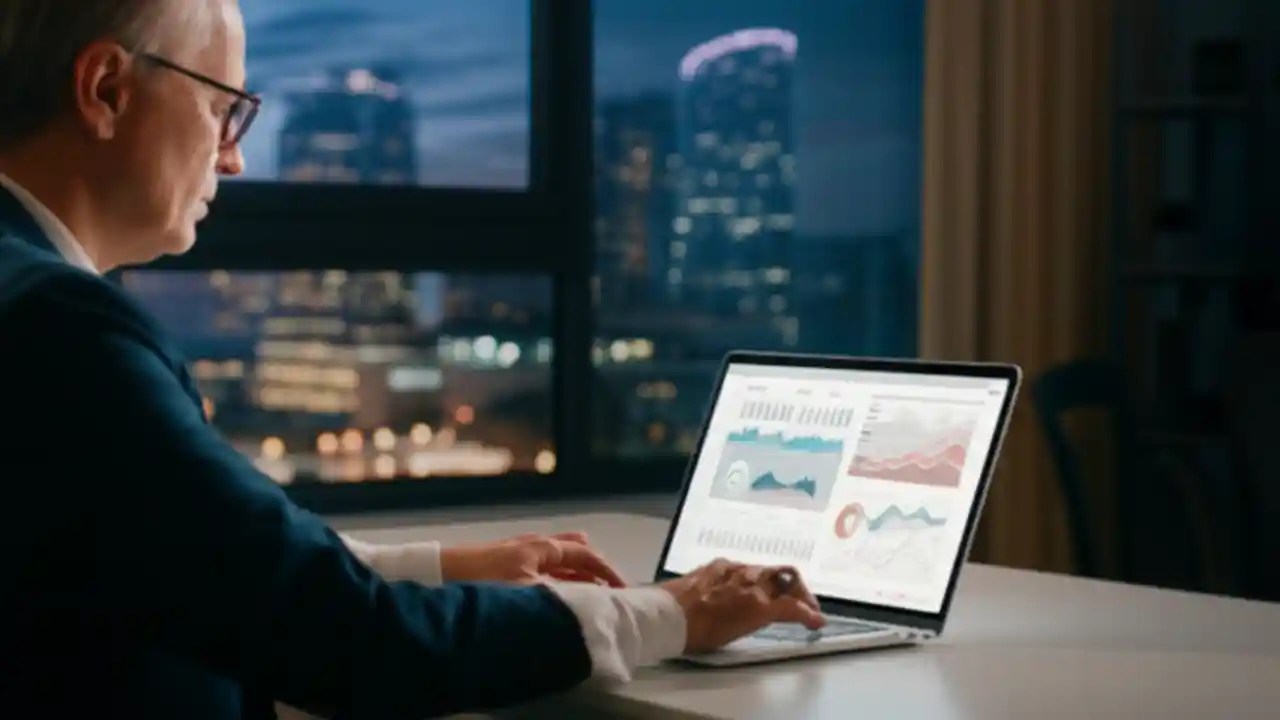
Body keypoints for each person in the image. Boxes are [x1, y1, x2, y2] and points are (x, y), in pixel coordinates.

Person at [0, 1, 825, 718]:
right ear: (106, 89)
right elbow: (343, 642)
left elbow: (194, 558)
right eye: (225, 109)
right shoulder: (62, 330)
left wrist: (439, 570)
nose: (234, 157)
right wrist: (668, 614)